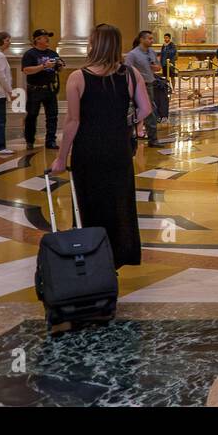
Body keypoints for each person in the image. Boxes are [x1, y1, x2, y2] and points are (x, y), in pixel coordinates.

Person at [50, 24, 152, 270]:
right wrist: (127, 122)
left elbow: (72, 121)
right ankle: (117, 257)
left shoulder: (78, 77)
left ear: (94, 44)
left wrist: (61, 158)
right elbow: (146, 109)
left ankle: (94, 257)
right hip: (118, 149)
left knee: (90, 204)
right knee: (119, 203)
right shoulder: (130, 74)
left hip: (89, 151)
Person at [21, 29, 63, 150]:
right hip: (35, 89)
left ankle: (51, 141)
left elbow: (58, 69)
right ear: (37, 40)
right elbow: (26, 70)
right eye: (45, 37)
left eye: (47, 36)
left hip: (50, 89)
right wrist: (43, 66)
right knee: (32, 115)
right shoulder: (30, 54)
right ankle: (30, 140)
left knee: (52, 116)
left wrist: (59, 66)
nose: (47, 39)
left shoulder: (53, 54)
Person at [124, 30, 165, 148]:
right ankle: (147, 138)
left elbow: (158, 66)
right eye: (150, 38)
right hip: (138, 86)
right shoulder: (133, 54)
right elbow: (127, 70)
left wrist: (155, 67)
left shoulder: (152, 52)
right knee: (147, 110)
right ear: (142, 39)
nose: (152, 41)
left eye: (152, 38)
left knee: (150, 110)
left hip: (150, 84)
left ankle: (151, 138)